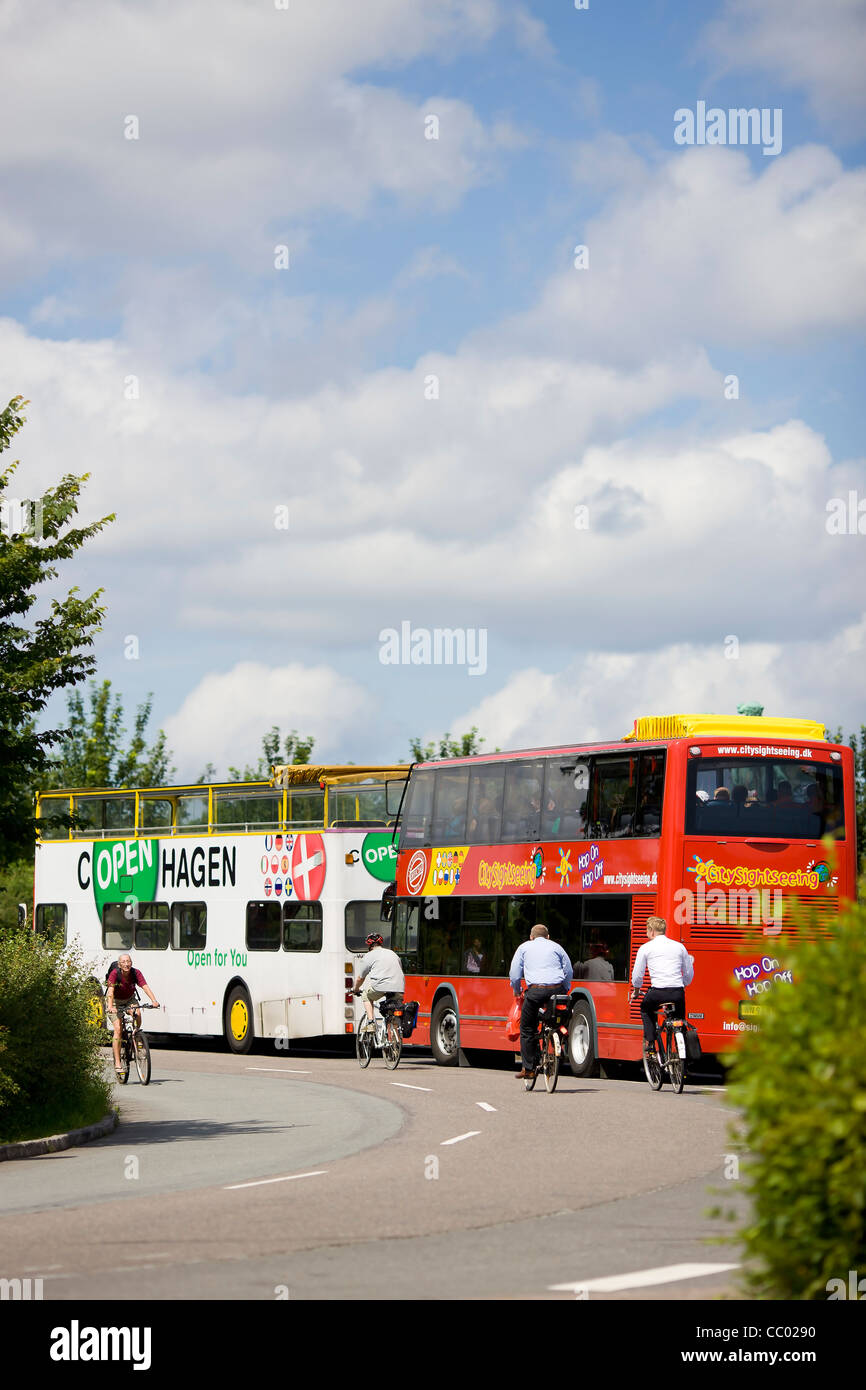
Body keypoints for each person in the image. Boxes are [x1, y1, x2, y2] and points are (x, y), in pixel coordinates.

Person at [509, 924, 573, 1080]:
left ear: (531, 937)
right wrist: (564, 989)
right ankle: (559, 1041)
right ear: (548, 937)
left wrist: (517, 990)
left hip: (535, 992)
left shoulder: (524, 947)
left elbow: (515, 974)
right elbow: (569, 970)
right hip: (556, 991)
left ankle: (529, 1069)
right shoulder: (557, 947)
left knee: (526, 1028)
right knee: (558, 1018)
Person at [629, 916, 694, 1060]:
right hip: (677, 992)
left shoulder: (646, 948)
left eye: (647, 930)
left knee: (646, 1009)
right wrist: (681, 983)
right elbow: (689, 974)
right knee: (680, 1019)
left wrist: (637, 991)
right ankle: (682, 1054)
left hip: (657, 992)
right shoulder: (679, 946)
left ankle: (651, 1044)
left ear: (651, 931)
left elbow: (637, 976)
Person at [106, 954, 160, 1080]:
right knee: (118, 1029)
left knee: (138, 1013)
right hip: (114, 1002)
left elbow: (145, 986)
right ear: (119, 965)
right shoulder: (114, 974)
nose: (126, 964)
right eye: (123, 962)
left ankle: (136, 1036)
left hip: (129, 999)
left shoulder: (136, 973)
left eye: (128, 961)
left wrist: (154, 1000)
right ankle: (118, 1063)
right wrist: (110, 1006)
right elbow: (110, 991)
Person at [354, 932, 405, 1029]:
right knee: (392, 1013)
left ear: (369, 945)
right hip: (399, 987)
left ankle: (371, 1023)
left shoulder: (369, 956)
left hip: (380, 987)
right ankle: (396, 1041)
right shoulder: (392, 953)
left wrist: (355, 989)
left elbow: (360, 978)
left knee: (366, 995)